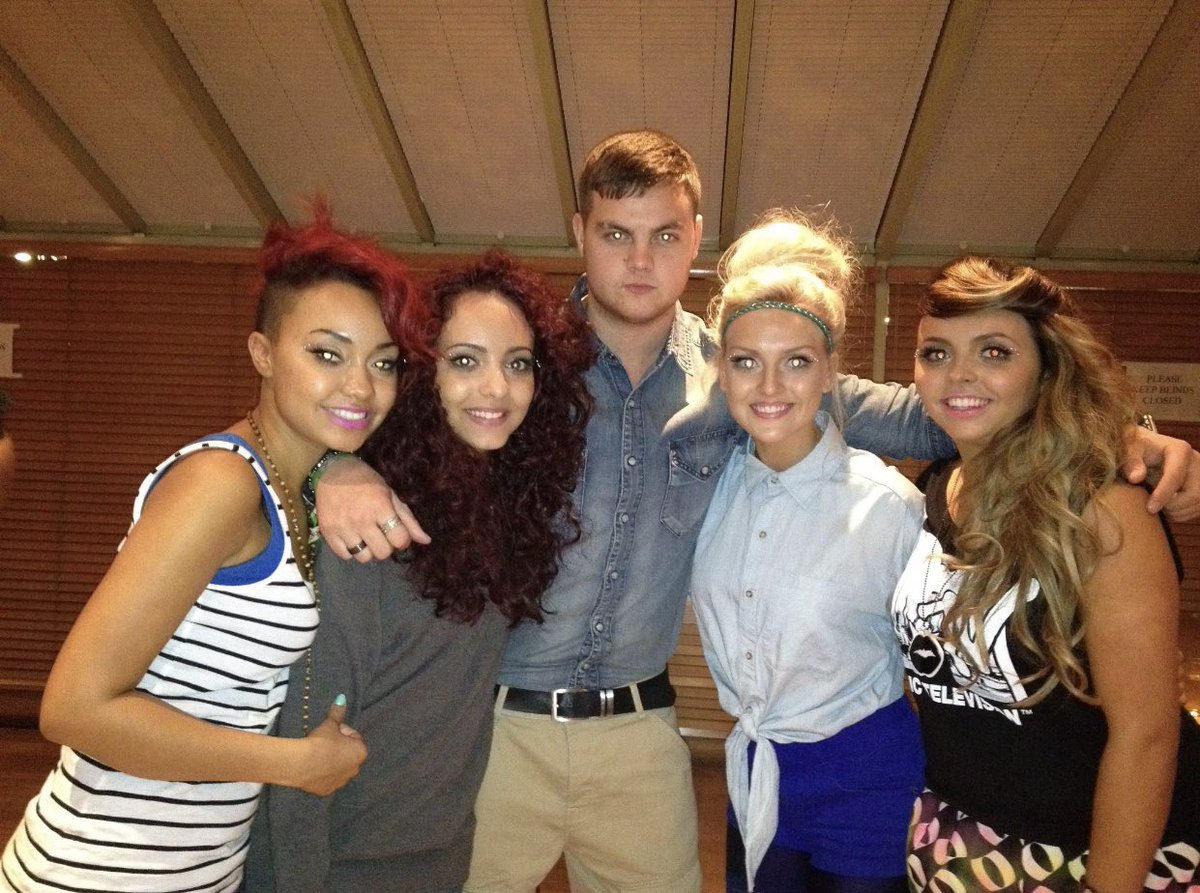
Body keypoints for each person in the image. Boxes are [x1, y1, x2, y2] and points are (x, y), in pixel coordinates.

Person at [311, 131, 1200, 892]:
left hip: (640, 733)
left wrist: (1124, 435)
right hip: (501, 724)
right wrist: (335, 464)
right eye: (615, 234)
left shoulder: (741, 370)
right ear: (580, 233)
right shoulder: (519, 364)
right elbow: (387, 410)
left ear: (696, 237)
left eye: (664, 234)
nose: (639, 260)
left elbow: (950, 407)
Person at [0, 205, 427, 893]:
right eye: (327, 353)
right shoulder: (221, 483)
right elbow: (74, 707)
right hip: (99, 871)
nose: (360, 385)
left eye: (383, 362)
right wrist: (292, 763)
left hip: (193, 872)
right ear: (263, 354)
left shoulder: (289, 487)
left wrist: (339, 467)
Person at [243, 250, 593, 893]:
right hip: (336, 868)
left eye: (518, 363)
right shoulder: (371, 527)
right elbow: (306, 736)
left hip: (438, 856)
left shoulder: (501, 514)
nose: (496, 388)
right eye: (465, 361)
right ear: (420, 372)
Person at [893, 257, 1200, 892]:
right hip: (962, 834)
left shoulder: (1101, 508)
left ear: (1048, 369)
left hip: (1099, 851)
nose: (959, 374)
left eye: (995, 351)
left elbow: (1145, 735)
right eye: (936, 353)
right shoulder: (935, 485)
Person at [692, 213, 924, 892]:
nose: (770, 387)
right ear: (722, 373)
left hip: (866, 778)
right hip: (756, 768)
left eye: (796, 361)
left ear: (829, 374)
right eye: (746, 362)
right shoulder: (708, 492)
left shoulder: (889, 508)